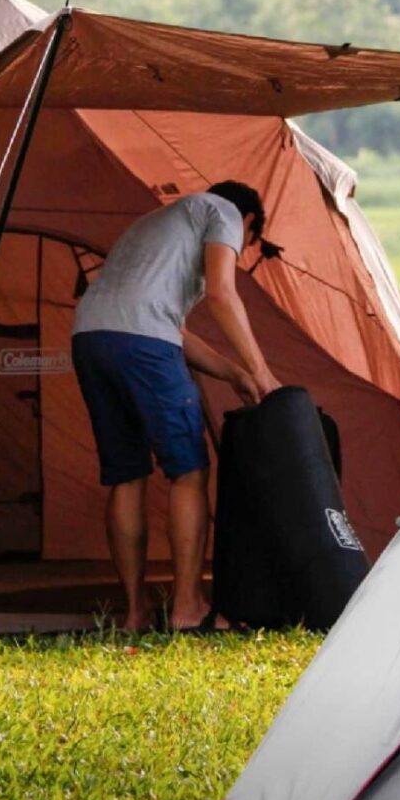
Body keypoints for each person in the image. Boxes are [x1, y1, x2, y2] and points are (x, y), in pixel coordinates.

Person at [71, 180, 281, 632]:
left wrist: (236, 375)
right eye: (248, 246)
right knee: (188, 470)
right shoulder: (223, 212)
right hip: (142, 344)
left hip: (89, 339)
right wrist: (262, 373)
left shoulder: (155, 224)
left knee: (126, 476)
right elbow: (223, 295)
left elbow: (172, 330)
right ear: (248, 225)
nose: (238, 252)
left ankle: (134, 613)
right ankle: (188, 607)